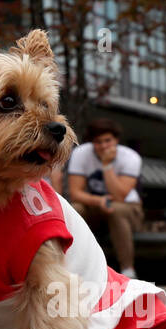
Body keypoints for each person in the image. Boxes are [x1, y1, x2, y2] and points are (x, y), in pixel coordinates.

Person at [68, 118, 144, 278]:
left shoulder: (130, 157)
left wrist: (107, 164)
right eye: (98, 142)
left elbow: (119, 196)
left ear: (116, 139)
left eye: (107, 141)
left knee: (116, 209)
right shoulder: (81, 153)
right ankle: (71, 269)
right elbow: (75, 193)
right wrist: (98, 201)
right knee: (75, 209)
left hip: (127, 207)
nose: (103, 146)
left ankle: (128, 271)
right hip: (94, 205)